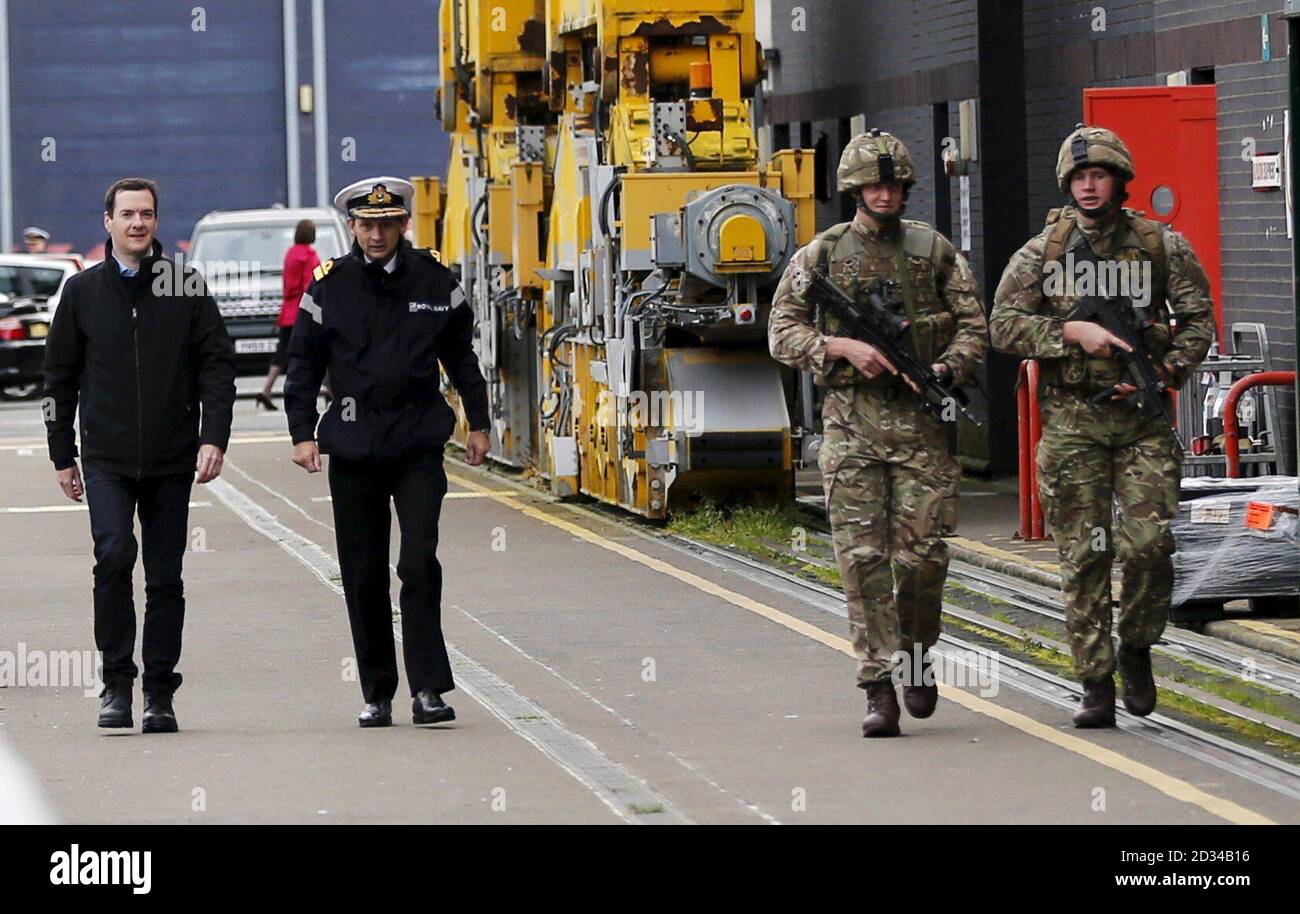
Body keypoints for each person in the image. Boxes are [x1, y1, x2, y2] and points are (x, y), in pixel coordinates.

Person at [990, 125, 1215, 727]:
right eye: (1079, 178)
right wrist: (1069, 333)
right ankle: (1094, 681)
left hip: (1140, 419)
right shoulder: (1044, 253)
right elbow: (1003, 325)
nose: (1089, 187)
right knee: (1083, 556)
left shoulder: (1160, 245)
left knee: (1149, 546)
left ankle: (1136, 644)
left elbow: (1198, 320)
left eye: (1099, 176)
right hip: (1072, 423)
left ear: (1118, 180)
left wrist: (1163, 369)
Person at [769, 130, 988, 737]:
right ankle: (877, 687)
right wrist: (837, 347)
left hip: (920, 431)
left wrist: (945, 367)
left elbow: (975, 327)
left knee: (922, 560)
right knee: (862, 563)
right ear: (855, 191)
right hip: (851, 426)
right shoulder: (822, 255)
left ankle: (916, 660)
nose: (884, 194)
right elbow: (781, 330)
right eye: (873, 185)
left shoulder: (934, 251)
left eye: (892, 184)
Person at [284, 176, 491, 728]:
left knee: (418, 560)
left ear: (404, 225)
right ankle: (377, 692)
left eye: (387, 224)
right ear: (352, 227)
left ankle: (428, 689)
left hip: (418, 440)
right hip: (353, 446)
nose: (376, 235)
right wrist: (302, 433)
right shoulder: (329, 286)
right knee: (363, 571)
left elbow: (462, 358)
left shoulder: (434, 279)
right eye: (367, 225)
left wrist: (480, 423)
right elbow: (303, 364)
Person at [42, 177, 236, 733]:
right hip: (106, 458)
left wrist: (213, 437)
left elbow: (216, 368)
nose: (137, 223)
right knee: (113, 557)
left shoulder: (186, 287)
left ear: (155, 221)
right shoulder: (81, 294)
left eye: (146, 214)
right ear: (108, 221)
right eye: (126, 214)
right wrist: (63, 454)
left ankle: (159, 694)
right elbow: (59, 379)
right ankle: (116, 685)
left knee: (165, 576)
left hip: (173, 457)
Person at [257, 219, 320, 410]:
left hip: (288, 310)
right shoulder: (309, 255)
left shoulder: (290, 253)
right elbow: (310, 285)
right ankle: (329, 389)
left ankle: (267, 389)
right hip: (303, 310)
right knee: (317, 349)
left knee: (282, 352)